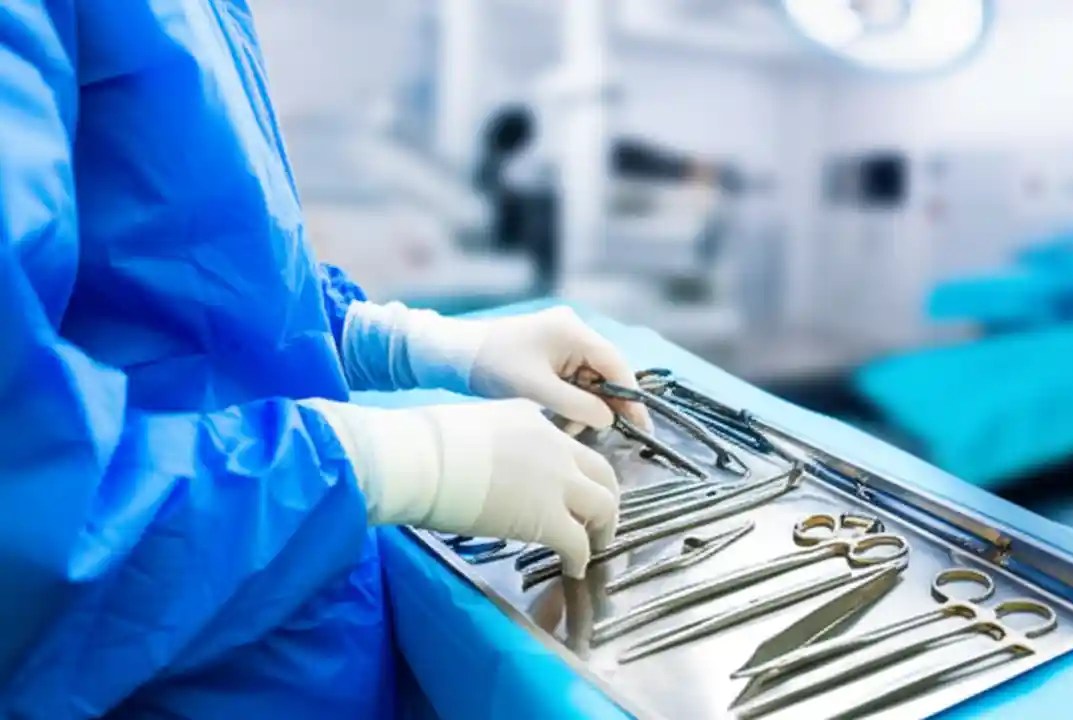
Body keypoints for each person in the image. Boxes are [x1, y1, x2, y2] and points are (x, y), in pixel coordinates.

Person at [0, 2, 649, 717]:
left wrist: (399, 341)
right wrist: (386, 462)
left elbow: (187, 287)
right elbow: (25, 517)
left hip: (279, 643)